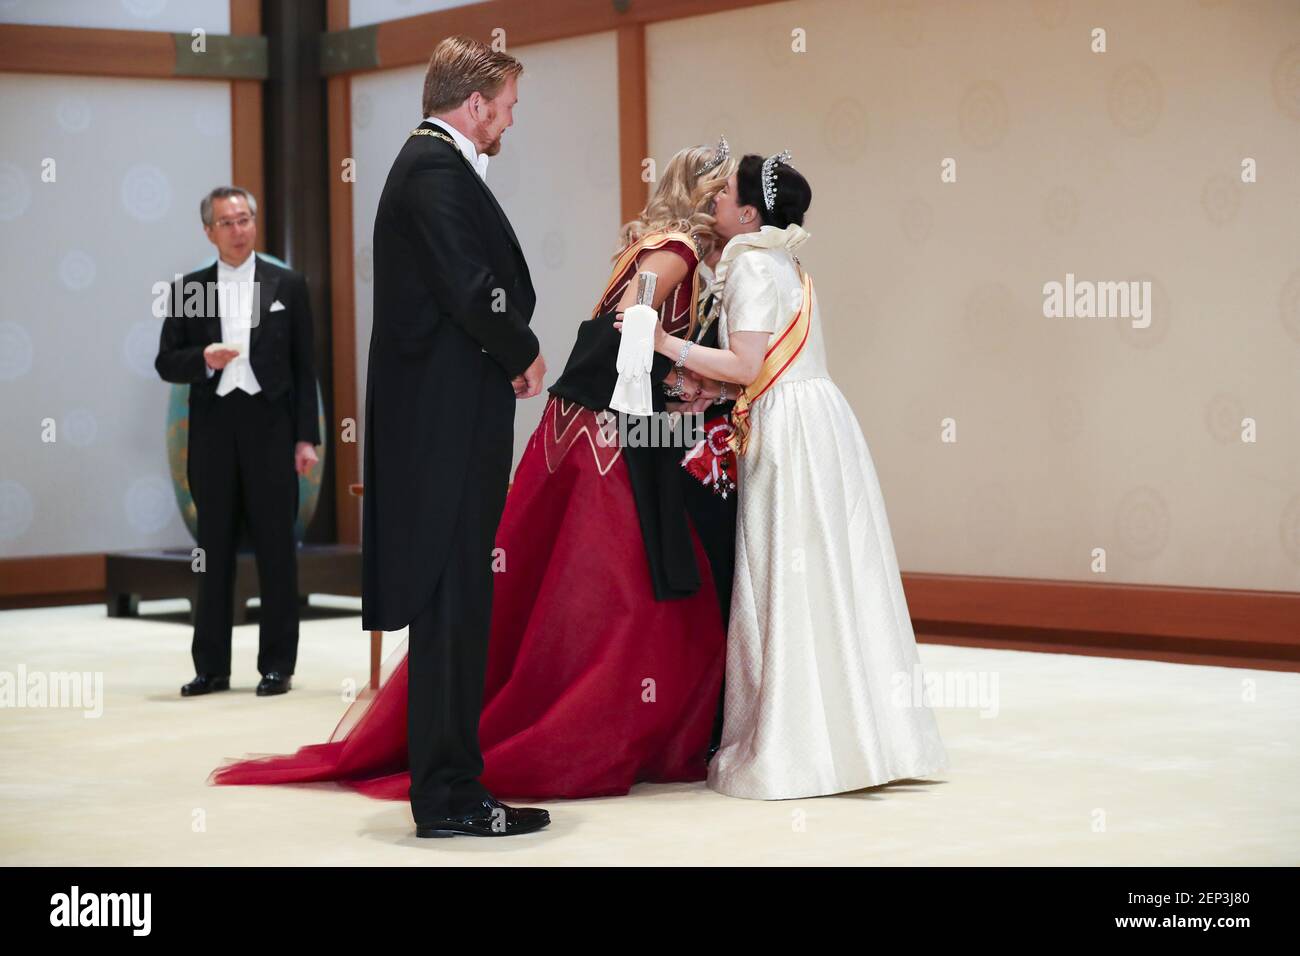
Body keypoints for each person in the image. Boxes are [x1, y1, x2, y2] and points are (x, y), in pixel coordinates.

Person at [210, 142, 736, 806]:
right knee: (623, 600)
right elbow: (633, 319)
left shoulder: (651, 242)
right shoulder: (679, 253)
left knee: (563, 589)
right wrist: (673, 378)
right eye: (725, 192)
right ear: (707, 196)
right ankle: (573, 738)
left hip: (584, 428)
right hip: (609, 436)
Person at [641, 152, 950, 799]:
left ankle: (799, 745)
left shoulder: (751, 262)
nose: (714, 202)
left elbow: (748, 364)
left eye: (724, 193)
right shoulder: (785, 263)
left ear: (750, 213)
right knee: (832, 572)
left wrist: (664, 344)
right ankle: (864, 738)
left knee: (787, 572)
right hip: (823, 420)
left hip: (787, 427)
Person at [360, 36, 548, 838]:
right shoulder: (434, 169)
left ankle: (452, 785)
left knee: (458, 604)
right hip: (442, 434)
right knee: (451, 609)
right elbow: (473, 290)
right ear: (474, 106)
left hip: (448, 423)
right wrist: (524, 350)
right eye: (506, 107)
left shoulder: (430, 165)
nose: (510, 120)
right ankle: (448, 795)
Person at [155, 186, 320, 699]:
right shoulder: (189, 288)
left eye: (245, 219)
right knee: (214, 551)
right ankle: (211, 668)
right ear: (209, 231)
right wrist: (203, 357)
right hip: (213, 429)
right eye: (226, 222)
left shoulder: (288, 284)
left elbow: (304, 366)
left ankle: (277, 665)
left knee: (277, 552)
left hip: (272, 428)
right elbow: (165, 362)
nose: (238, 229)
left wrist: (306, 439)